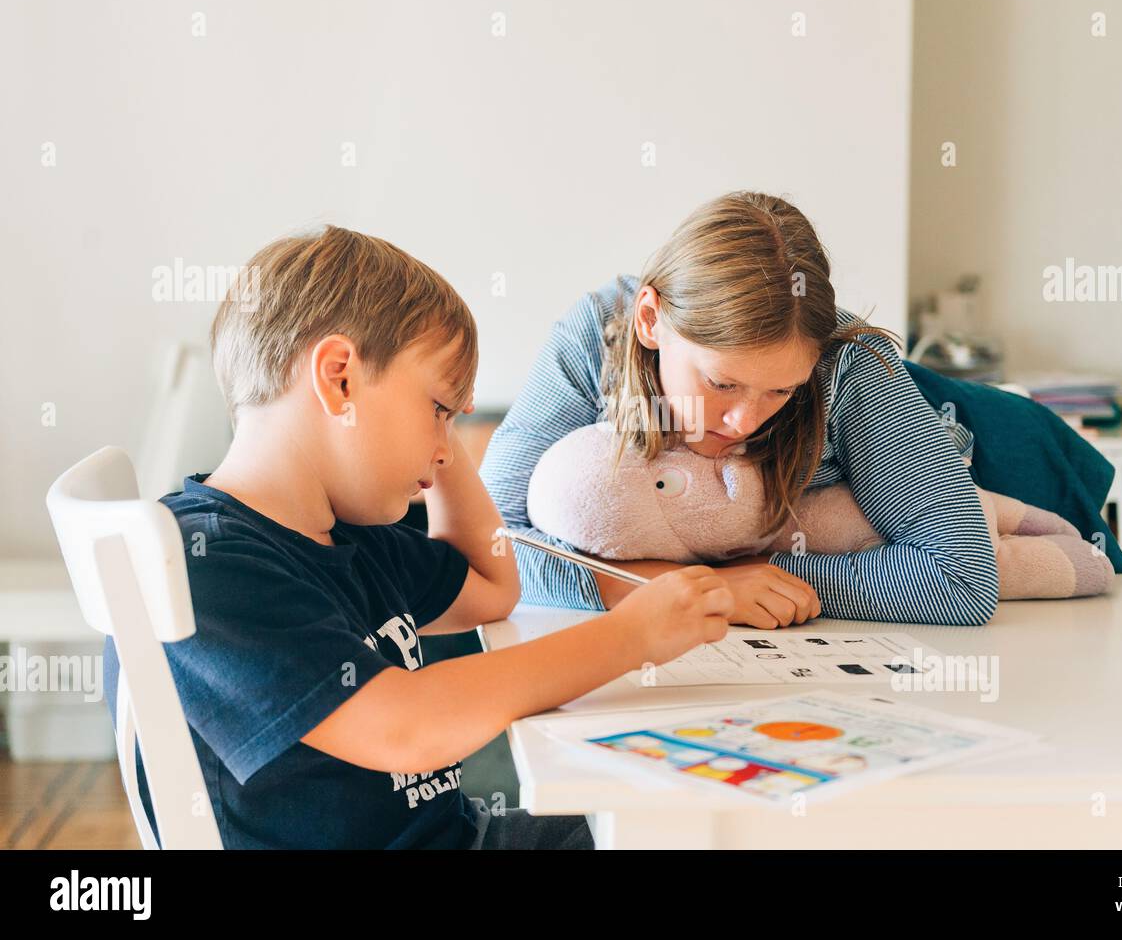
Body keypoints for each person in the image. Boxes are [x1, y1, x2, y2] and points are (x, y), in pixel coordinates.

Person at [102, 225, 733, 849]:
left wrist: (437, 421)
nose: (444, 448)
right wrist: (631, 636)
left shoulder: (343, 531)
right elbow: (405, 727)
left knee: (684, 825)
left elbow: (490, 585)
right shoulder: (202, 561)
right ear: (339, 379)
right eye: (439, 411)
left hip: (458, 836)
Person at [481, 191, 998, 628]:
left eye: (782, 391)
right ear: (648, 320)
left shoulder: (850, 369)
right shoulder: (598, 336)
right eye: (722, 382)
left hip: (1027, 465)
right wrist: (698, 587)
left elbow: (964, 577)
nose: (746, 422)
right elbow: (487, 546)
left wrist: (764, 570)